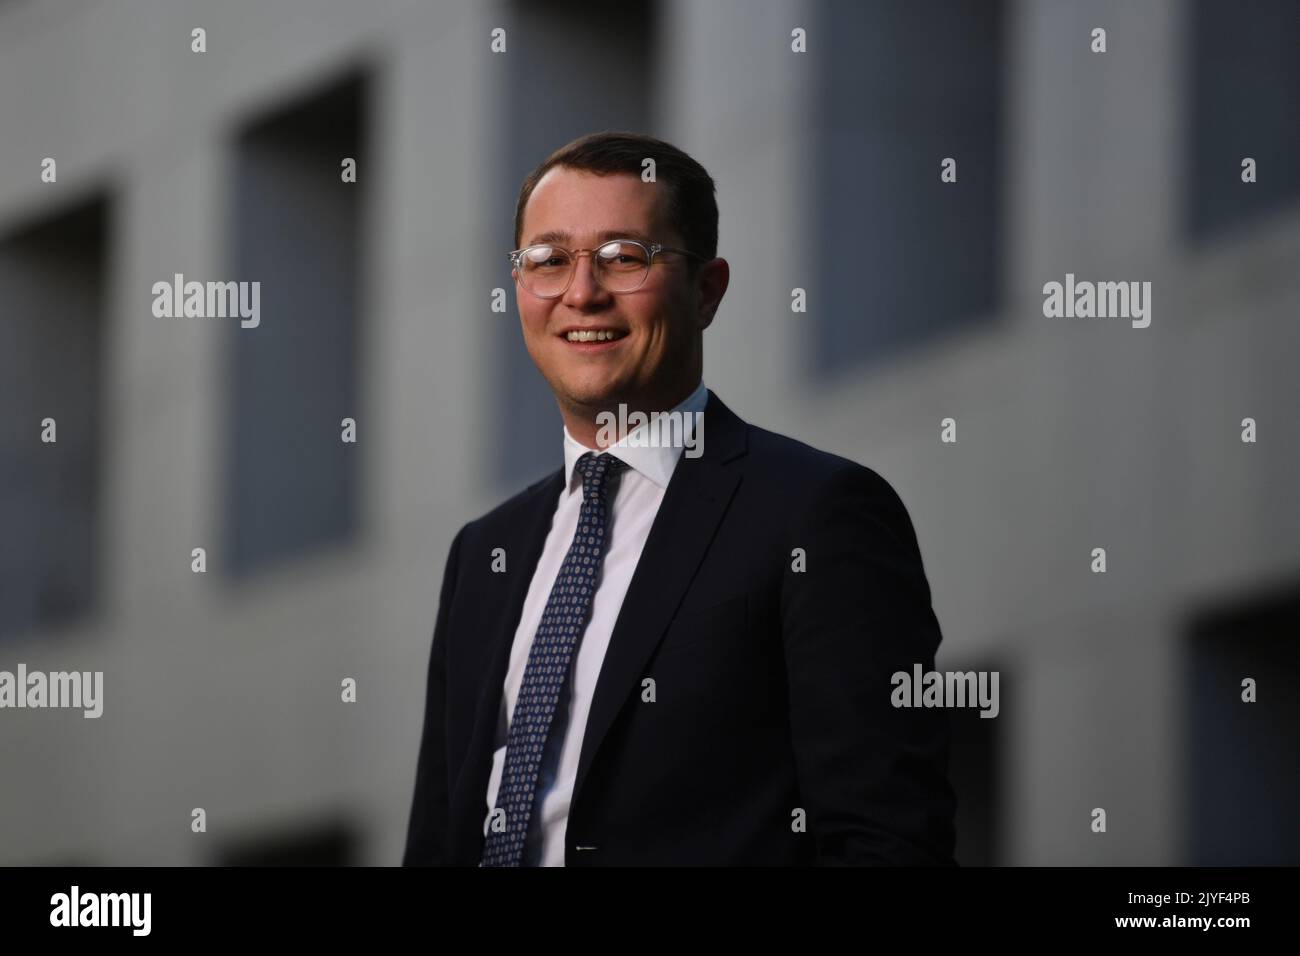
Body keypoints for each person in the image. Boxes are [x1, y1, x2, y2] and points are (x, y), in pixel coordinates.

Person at [403, 130, 956, 866]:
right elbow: (438, 841)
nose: (582, 292)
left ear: (707, 290)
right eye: (549, 260)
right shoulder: (484, 553)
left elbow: (889, 841)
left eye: (624, 257)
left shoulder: (819, 515)